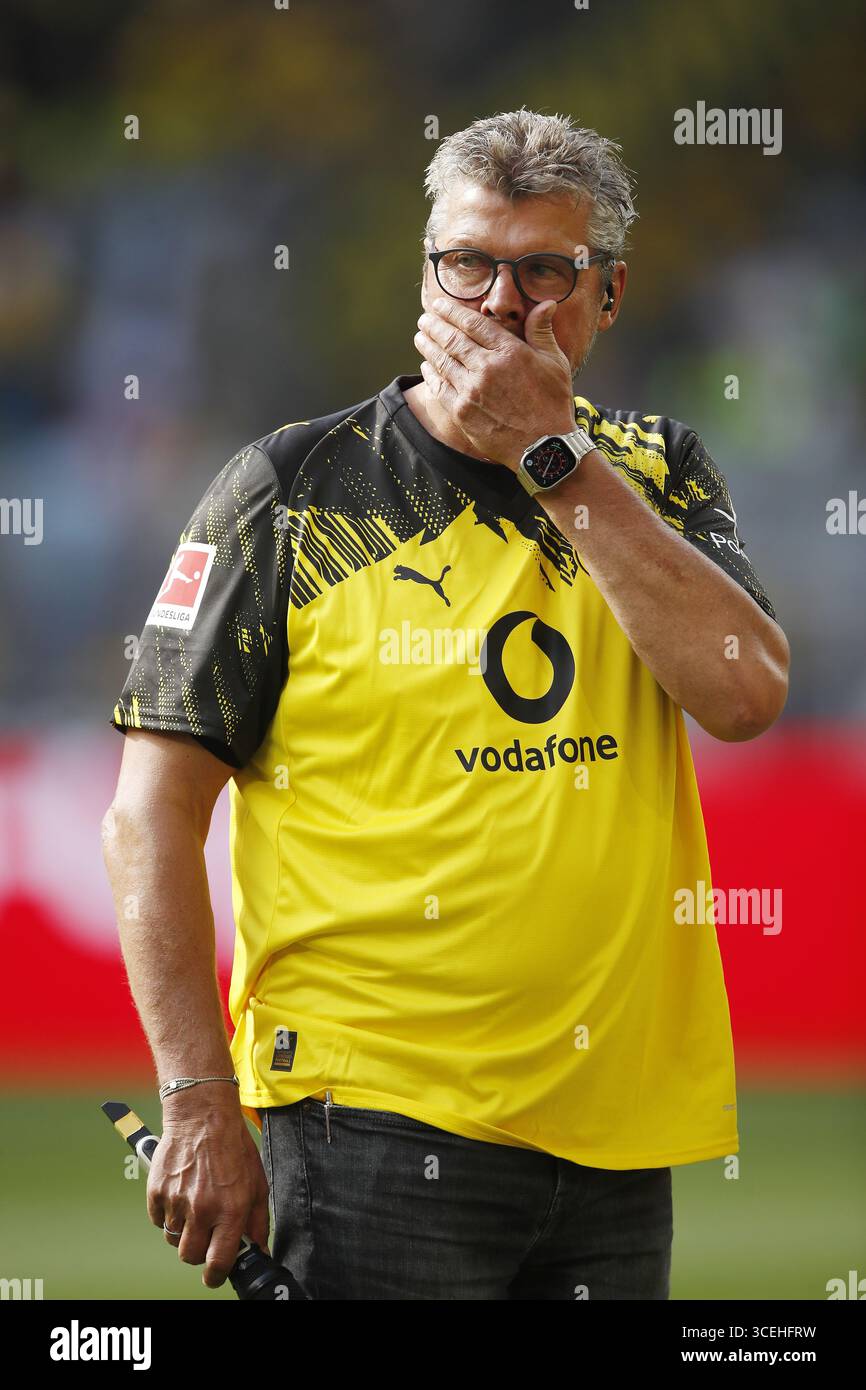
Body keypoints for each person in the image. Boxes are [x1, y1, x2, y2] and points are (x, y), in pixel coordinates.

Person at [102, 109, 789, 1300]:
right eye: (466, 262)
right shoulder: (288, 491)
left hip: (616, 1125)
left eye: (542, 270)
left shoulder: (657, 470)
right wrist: (198, 1097)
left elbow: (741, 693)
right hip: (369, 1120)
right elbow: (148, 818)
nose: (499, 301)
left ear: (607, 294)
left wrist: (554, 457)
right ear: (424, 277)